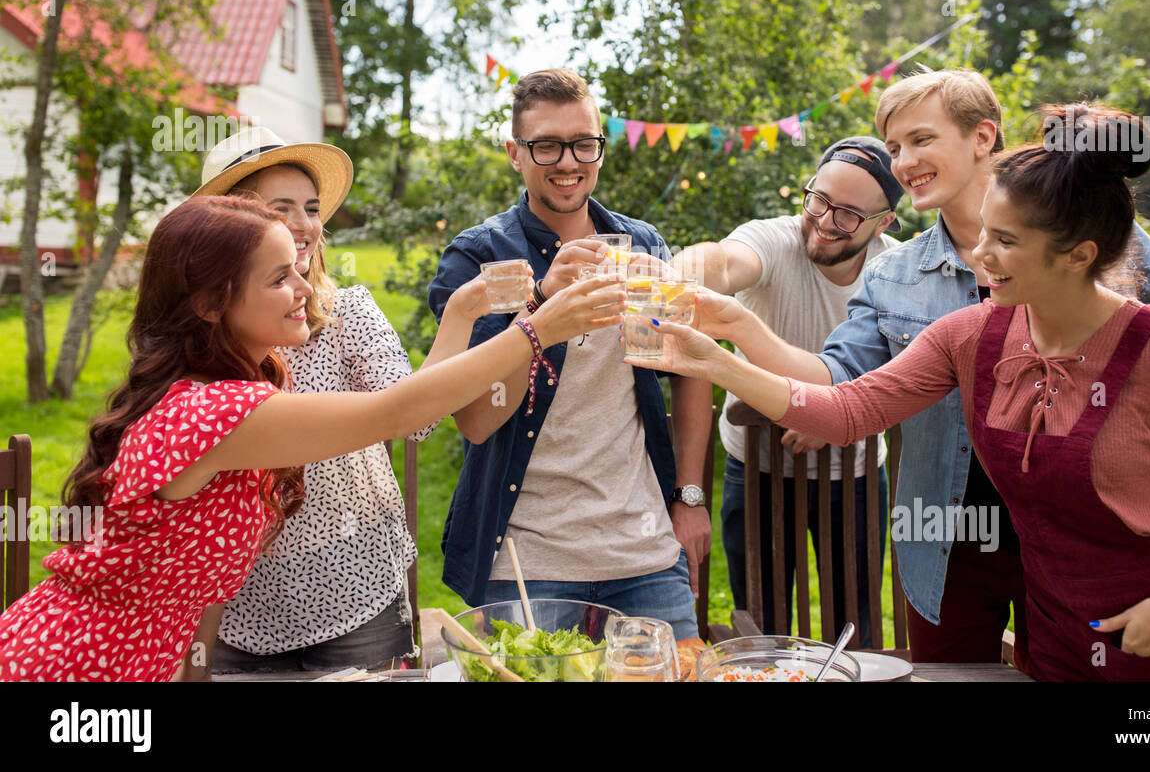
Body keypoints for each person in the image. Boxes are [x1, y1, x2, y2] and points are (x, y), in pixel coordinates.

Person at [634, 110, 1150, 680]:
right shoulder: (970, 336)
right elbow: (848, 410)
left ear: (1078, 255)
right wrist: (718, 353)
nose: (977, 257)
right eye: (981, 235)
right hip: (1057, 653)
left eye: (1004, 242)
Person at [0, 195, 620, 681]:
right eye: (278, 279)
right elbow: (394, 414)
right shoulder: (212, 412)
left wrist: (467, 315)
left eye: (299, 270)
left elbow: (406, 409)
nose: (304, 289)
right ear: (211, 304)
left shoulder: (234, 389)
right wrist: (537, 330)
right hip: (73, 664)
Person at [427, 69, 712, 640]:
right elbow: (479, 421)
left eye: (584, 143)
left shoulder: (642, 246)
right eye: (546, 146)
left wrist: (689, 496)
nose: (568, 161)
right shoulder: (481, 259)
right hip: (528, 566)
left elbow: (687, 367)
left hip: (645, 554)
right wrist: (541, 305)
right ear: (515, 153)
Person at [187, 126, 440, 673]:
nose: (303, 226)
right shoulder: (198, 348)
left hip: (356, 591)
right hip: (235, 604)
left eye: (311, 207)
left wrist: (473, 318)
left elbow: (414, 419)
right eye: (281, 210)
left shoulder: (345, 311)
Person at [673, 136, 900, 639]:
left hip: (856, 477)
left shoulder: (896, 271)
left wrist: (832, 418)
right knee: (760, 622)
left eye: (847, 215)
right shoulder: (775, 238)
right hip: (756, 471)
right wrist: (682, 271)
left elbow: (909, 375)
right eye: (818, 200)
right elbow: (726, 262)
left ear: (884, 222)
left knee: (855, 623)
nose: (823, 221)